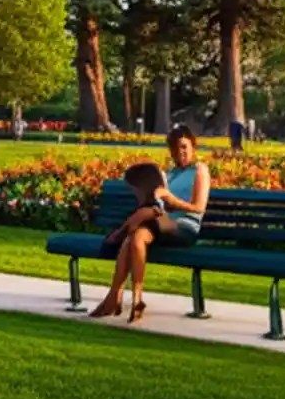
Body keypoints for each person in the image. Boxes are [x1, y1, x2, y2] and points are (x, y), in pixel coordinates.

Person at [90, 126, 211, 323]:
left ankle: (114, 295)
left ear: (193, 146)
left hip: (185, 227)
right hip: (162, 222)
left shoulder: (200, 170)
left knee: (141, 218)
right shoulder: (168, 174)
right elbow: (160, 203)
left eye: (184, 147)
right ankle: (136, 299)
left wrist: (170, 199)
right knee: (134, 238)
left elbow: (198, 208)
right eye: (175, 149)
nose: (180, 153)